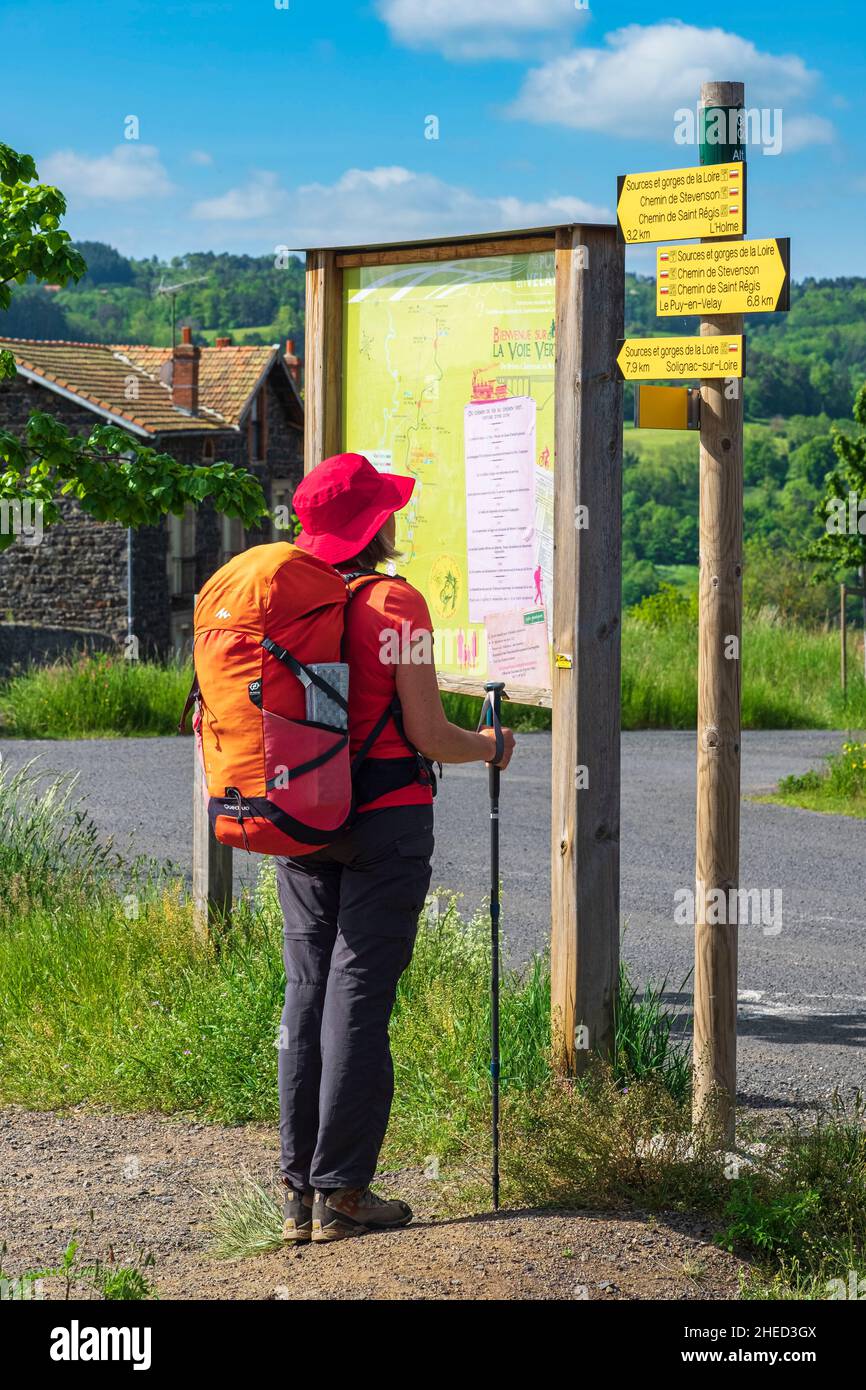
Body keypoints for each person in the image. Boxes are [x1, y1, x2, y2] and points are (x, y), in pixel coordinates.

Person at [277, 452, 515, 1243]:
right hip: (385, 819)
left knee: (309, 991)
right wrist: (490, 745)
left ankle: (296, 1194)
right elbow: (428, 733)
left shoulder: (286, 599)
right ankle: (343, 1194)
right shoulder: (398, 605)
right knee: (358, 995)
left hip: (303, 812)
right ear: (377, 525)